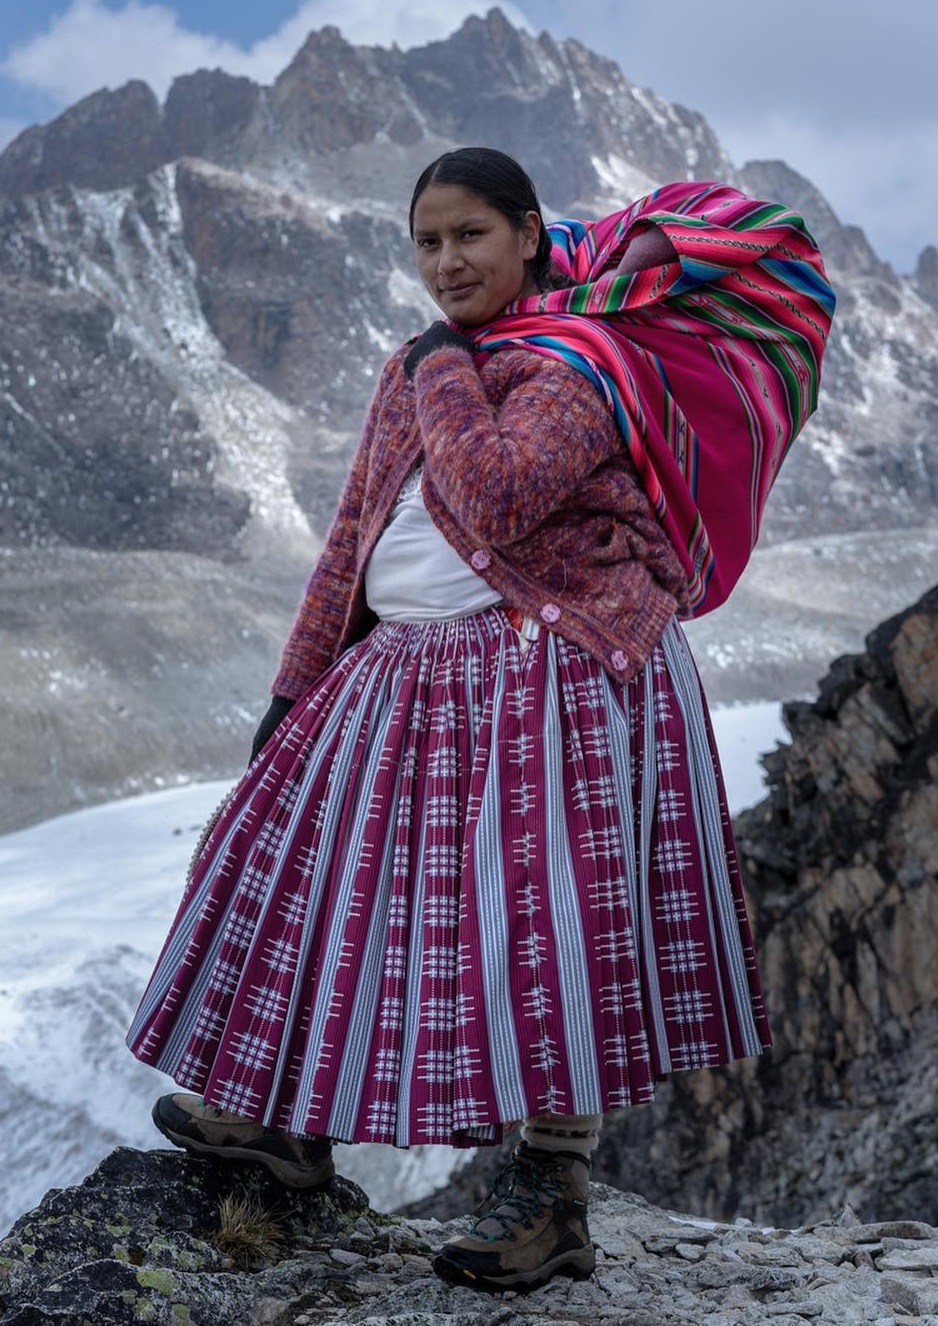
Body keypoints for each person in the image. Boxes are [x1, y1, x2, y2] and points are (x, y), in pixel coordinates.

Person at [127, 147, 834, 1294]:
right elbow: (354, 538)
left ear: (526, 235)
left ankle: (549, 1190)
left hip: (551, 672)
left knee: (537, 932)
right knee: (330, 883)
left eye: (469, 237)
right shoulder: (423, 365)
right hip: (410, 669)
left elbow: (496, 489)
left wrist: (442, 368)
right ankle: (291, 1126)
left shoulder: (581, 356)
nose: (446, 261)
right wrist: (295, 685)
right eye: (426, 243)